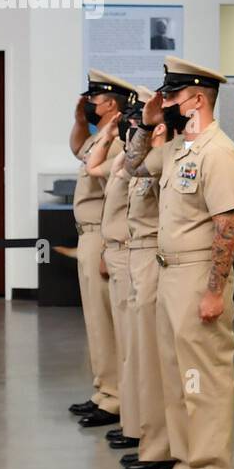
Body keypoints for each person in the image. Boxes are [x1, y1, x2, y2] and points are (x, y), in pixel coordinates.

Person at [139, 57, 234, 469]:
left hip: (199, 273)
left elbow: (228, 224)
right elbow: (135, 167)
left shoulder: (218, 152)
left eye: (172, 96)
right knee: (176, 378)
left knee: (205, 380)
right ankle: (184, 466)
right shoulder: (181, 147)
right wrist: (147, 124)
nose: (166, 103)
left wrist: (214, 290)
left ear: (197, 99)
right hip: (169, 273)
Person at [68, 70, 136, 426]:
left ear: (110, 103)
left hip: (101, 236)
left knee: (106, 320)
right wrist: (80, 118)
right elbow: (79, 149)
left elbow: (115, 194)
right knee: (95, 320)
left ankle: (116, 397)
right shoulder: (101, 136)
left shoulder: (120, 140)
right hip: (88, 234)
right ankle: (104, 389)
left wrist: (110, 245)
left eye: (93, 101)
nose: (89, 105)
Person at [118, 89, 177, 469]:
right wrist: (143, 128)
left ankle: (163, 446)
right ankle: (148, 436)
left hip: (159, 257)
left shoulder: (173, 153)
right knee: (140, 353)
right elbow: (131, 163)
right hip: (140, 254)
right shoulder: (160, 152)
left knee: (159, 360)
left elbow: (136, 166)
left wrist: (154, 127)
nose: (141, 118)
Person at [83, 96, 143, 446]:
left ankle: (139, 422)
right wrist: (107, 136)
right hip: (119, 250)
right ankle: (132, 418)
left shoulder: (150, 159)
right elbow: (93, 167)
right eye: (131, 121)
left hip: (137, 254)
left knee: (134, 344)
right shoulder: (124, 154)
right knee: (122, 340)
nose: (132, 127)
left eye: (138, 122)